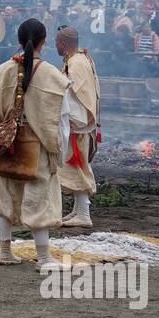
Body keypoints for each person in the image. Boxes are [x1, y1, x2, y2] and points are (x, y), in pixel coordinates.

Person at [0, 19, 73, 269]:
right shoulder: (52, 75)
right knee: (39, 199)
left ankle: (5, 251)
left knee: (4, 197)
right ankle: (43, 258)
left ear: (19, 40)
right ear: (43, 41)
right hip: (38, 147)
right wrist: (60, 151)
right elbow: (62, 118)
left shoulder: (2, 70)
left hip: (7, 145)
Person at [57, 26, 100, 228]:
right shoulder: (79, 59)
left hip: (77, 123)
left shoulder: (76, 63)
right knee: (76, 165)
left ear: (64, 44)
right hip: (79, 122)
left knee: (77, 167)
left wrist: (70, 120)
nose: (55, 46)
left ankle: (84, 214)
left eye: (57, 43)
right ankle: (77, 210)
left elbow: (76, 94)